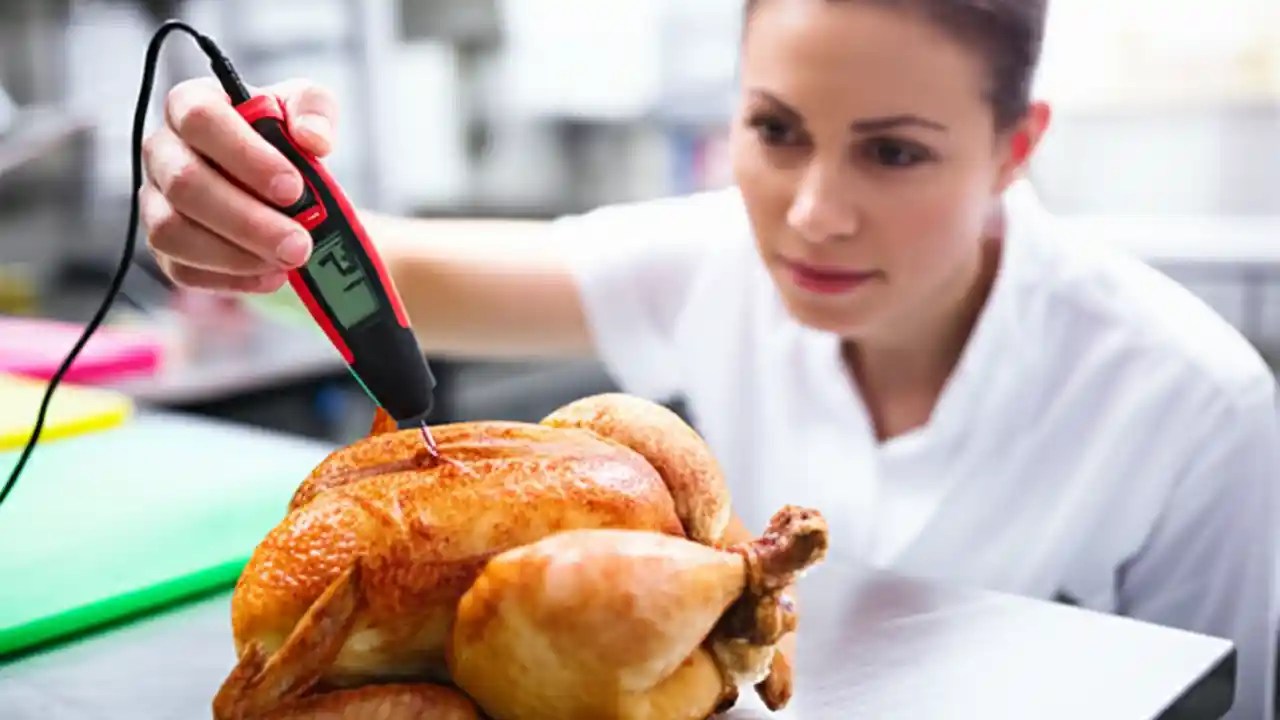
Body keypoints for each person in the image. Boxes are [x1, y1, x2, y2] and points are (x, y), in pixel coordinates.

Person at [140, 0, 1278, 716]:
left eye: (893, 152)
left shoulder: (1192, 403)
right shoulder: (712, 257)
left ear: (1013, 146)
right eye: (775, 131)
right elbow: (378, 271)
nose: (812, 215)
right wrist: (236, 201)